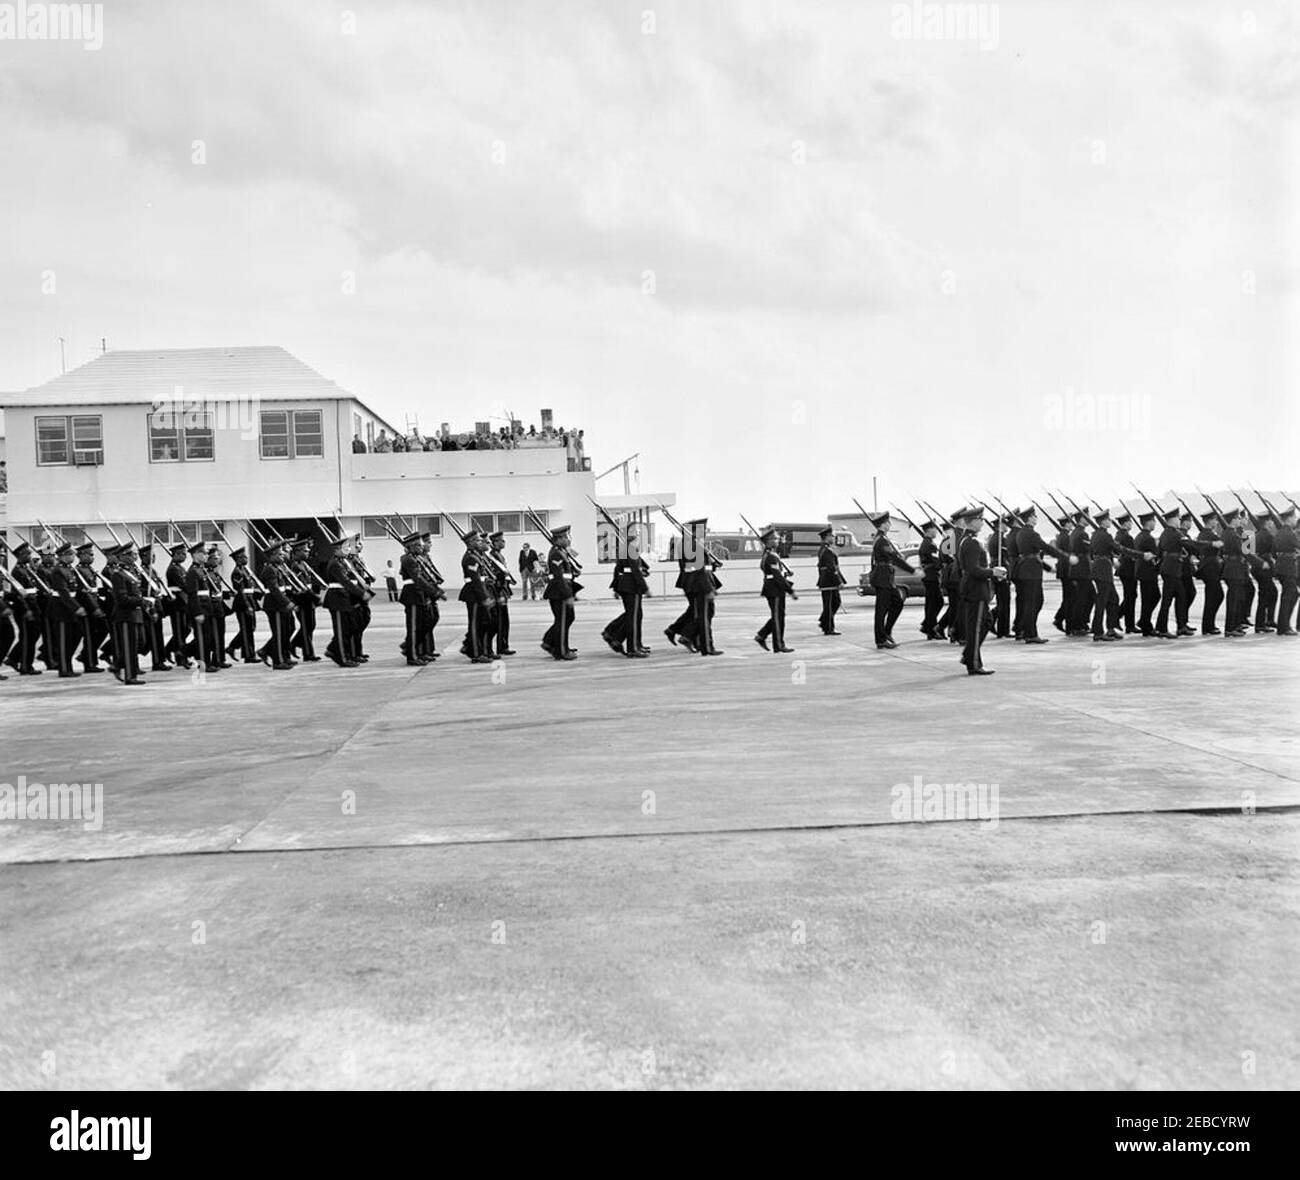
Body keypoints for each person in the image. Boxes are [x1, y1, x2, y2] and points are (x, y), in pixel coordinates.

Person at [957, 508, 1006, 675]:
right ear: (973, 521)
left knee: (986, 621)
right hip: (975, 589)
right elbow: (973, 569)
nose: (983, 523)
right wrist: (993, 572)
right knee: (976, 627)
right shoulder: (971, 542)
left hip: (975, 588)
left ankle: (969, 654)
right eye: (981, 520)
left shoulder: (969, 539)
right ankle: (974, 664)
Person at [1013, 505, 1069, 643]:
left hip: (1026, 569)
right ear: (1030, 518)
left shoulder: (1021, 533)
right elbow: (1046, 547)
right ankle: (1030, 634)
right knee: (1034, 602)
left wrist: (1048, 568)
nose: (1036, 518)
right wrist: (1064, 556)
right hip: (1031, 572)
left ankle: (1026, 631)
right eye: (1035, 516)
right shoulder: (1032, 534)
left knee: (1030, 602)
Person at [868, 512, 915, 650]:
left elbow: (891, 556)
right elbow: (894, 559)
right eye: (888, 522)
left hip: (886, 578)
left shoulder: (882, 538)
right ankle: (881, 639)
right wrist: (912, 570)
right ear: (883, 524)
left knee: (897, 602)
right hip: (883, 578)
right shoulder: (882, 540)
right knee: (881, 610)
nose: (890, 524)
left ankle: (886, 632)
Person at [603, 525, 651, 657]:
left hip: (627, 585)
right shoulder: (630, 549)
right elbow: (635, 571)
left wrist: (616, 587)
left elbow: (618, 569)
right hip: (632, 587)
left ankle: (636, 643)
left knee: (635, 616)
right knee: (633, 618)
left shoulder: (627, 548)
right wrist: (645, 588)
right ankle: (633, 648)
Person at [108, 543, 149, 685]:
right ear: (123, 557)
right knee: (130, 646)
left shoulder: (132, 572)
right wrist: (142, 600)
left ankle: (118, 664)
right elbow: (122, 598)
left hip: (136, 613)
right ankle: (130, 677)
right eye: (132, 554)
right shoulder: (118, 575)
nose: (135, 557)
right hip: (125, 615)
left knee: (141, 644)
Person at [541, 524, 582, 660]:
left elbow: (565, 573)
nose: (568, 540)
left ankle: (554, 643)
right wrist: (567, 596)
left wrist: (573, 572)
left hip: (563, 590)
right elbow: (559, 577)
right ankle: (561, 651)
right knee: (562, 621)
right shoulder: (556, 554)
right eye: (565, 537)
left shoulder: (562, 552)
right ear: (558, 539)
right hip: (559, 593)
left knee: (567, 619)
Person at [755, 528, 796, 652]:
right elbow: (776, 575)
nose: (778, 540)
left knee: (778, 616)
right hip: (775, 589)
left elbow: (775, 573)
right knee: (778, 618)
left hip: (774, 587)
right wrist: (790, 590)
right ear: (769, 541)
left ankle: (761, 635)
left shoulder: (771, 555)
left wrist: (786, 573)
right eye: (776, 538)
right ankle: (778, 645)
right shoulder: (771, 556)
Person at [323, 537, 362, 666]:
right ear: (337, 550)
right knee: (341, 630)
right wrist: (362, 593)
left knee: (350, 627)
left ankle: (334, 650)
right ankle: (342, 658)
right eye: (345, 548)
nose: (348, 550)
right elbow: (345, 582)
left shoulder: (343, 562)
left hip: (344, 598)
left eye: (348, 547)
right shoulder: (335, 563)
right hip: (337, 598)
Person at [1088, 510, 1124, 642]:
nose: (1110, 521)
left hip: (1099, 568)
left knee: (1113, 599)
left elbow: (1094, 552)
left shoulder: (1095, 535)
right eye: (1108, 519)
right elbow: (1119, 549)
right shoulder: (1105, 536)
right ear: (1103, 521)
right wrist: (1141, 555)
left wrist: (1111, 556)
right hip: (1103, 570)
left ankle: (1110, 628)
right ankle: (1098, 632)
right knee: (1102, 601)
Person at [459, 529, 494, 663]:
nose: (481, 542)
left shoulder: (476, 556)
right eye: (478, 540)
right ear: (471, 542)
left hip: (478, 592)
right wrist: (485, 598)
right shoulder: (470, 558)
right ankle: (475, 654)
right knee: (475, 625)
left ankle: (474, 648)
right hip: (473, 594)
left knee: (482, 623)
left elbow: (482, 578)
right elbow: (475, 580)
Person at [226, 547, 262, 663]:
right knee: (247, 629)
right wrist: (247, 606)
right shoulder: (237, 572)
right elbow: (240, 591)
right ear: (238, 559)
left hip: (249, 600)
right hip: (242, 603)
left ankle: (232, 647)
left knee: (250, 628)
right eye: (243, 557)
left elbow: (249, 588)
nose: (246, 558)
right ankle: (248, 655)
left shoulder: (245, 570)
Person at [815, 525, 845, 635]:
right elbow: (832, 568)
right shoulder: (827, 550)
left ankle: (824, 622)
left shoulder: (825, 549)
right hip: (829, 582)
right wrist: (839, 581)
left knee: (834, 603)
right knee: (832, 604)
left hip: (827, 581)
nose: (833, 538)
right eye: (832, 536)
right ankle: (828, 627)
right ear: (827, 537)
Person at [1274, 504, 1298, 635]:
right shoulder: (1289, 533)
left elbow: (1273, 552)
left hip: (1281, 567)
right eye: (1294, 517)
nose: (1296, 520)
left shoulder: (1279, 532)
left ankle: (1283, 625)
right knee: (1290, 595)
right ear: (1289, 518)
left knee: (1289, 595)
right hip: (1288, 568)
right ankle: (1284, 627)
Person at [918, 519, 944, 639]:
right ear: (928, 530)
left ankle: (928, 627)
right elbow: (936, 562)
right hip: (931, 575)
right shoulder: (929, 545)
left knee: (931, 603)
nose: (936, 531)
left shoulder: (927, 543)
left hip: (929, 575)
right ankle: (929, 627)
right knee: (937, 602)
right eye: (934, 529)